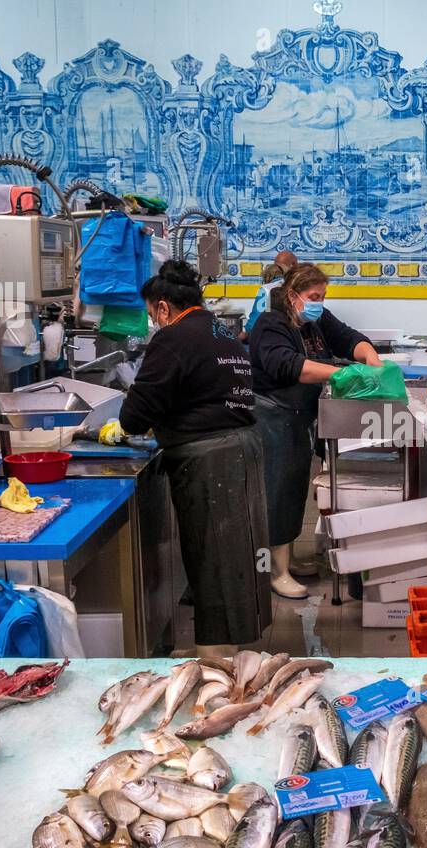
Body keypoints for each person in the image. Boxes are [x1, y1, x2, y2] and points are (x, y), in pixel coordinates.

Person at [118, 260, 271, 654]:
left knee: (214, 558)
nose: (154, 323)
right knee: (238, 554)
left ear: (164, 307)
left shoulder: (172, 338)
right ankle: (222, 649)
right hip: (242, 447)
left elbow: (134, 417)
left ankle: (218, 660)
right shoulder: (220, 330)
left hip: (211, 461)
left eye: (153, 315)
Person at [249, 263, 382, 599]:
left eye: (322, 296)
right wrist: (340, 375)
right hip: (271, 418)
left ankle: (287, 560)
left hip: (298, 417)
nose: (319, 302)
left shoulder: (316, 321)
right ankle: (272, 572)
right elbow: (290, 366)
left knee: (293, 491)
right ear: (293, 296)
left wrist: (371, 359)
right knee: (275, 493)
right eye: (313, 296)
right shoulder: (270, 325)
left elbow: (349, 338)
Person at [242, 250, 297, 341]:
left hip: (272, 340)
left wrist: (239, 338)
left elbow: (254, 322)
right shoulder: (298, 287)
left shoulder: (266, 289)